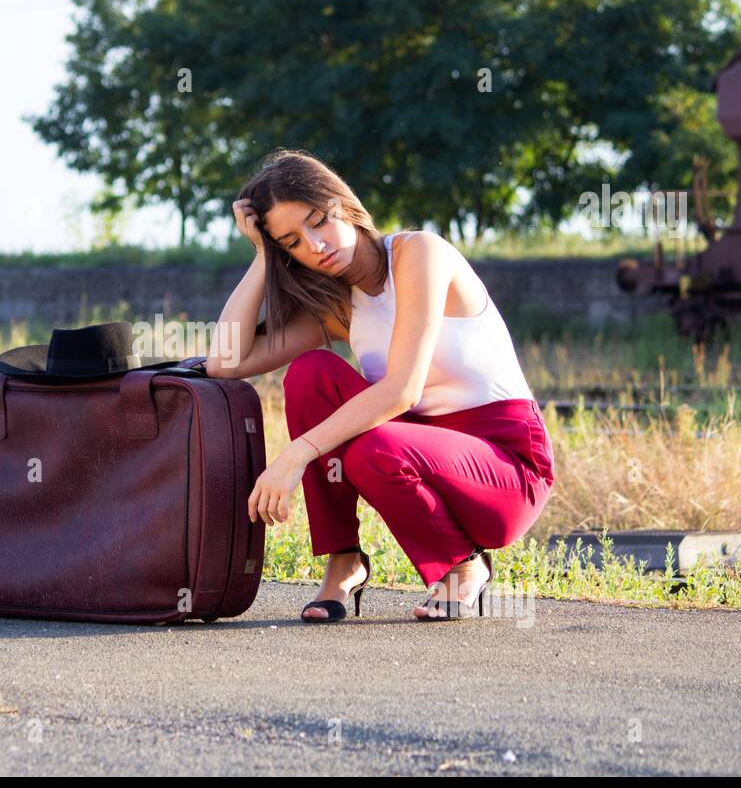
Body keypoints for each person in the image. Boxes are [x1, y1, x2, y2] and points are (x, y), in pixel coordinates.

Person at [205, 149, 555, 623]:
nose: (315, 246)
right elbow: (225, 363)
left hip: (505, 468)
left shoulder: (418, 253)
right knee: (311, 373)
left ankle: (463, 563)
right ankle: (344, 557)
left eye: (318, 222)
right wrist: (262, 258)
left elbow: (402, 391)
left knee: (374, 447)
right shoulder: (338, 305)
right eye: (292, 242)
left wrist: (295, 454)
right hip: (412, 449)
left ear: (341, 204)